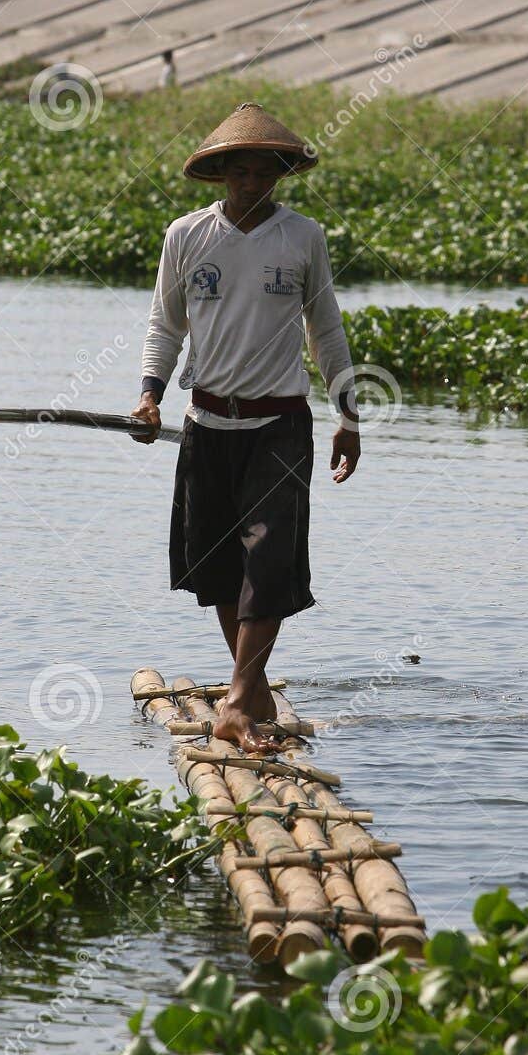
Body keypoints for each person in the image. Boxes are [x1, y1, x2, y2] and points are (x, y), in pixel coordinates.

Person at [131, 101, 360, 755]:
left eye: (265, 173)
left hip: (281, 424)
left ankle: (235, 701)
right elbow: (163, 326)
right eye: (240, 172)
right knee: (218, 568)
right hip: (208, 422)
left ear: (280, 176)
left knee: (268, 561)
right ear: (221, 173)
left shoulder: (302, 238)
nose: (252, 183)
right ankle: (250, 691)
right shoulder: (186, 236)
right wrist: (148, 397)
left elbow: (326, 330)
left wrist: (348, 414)